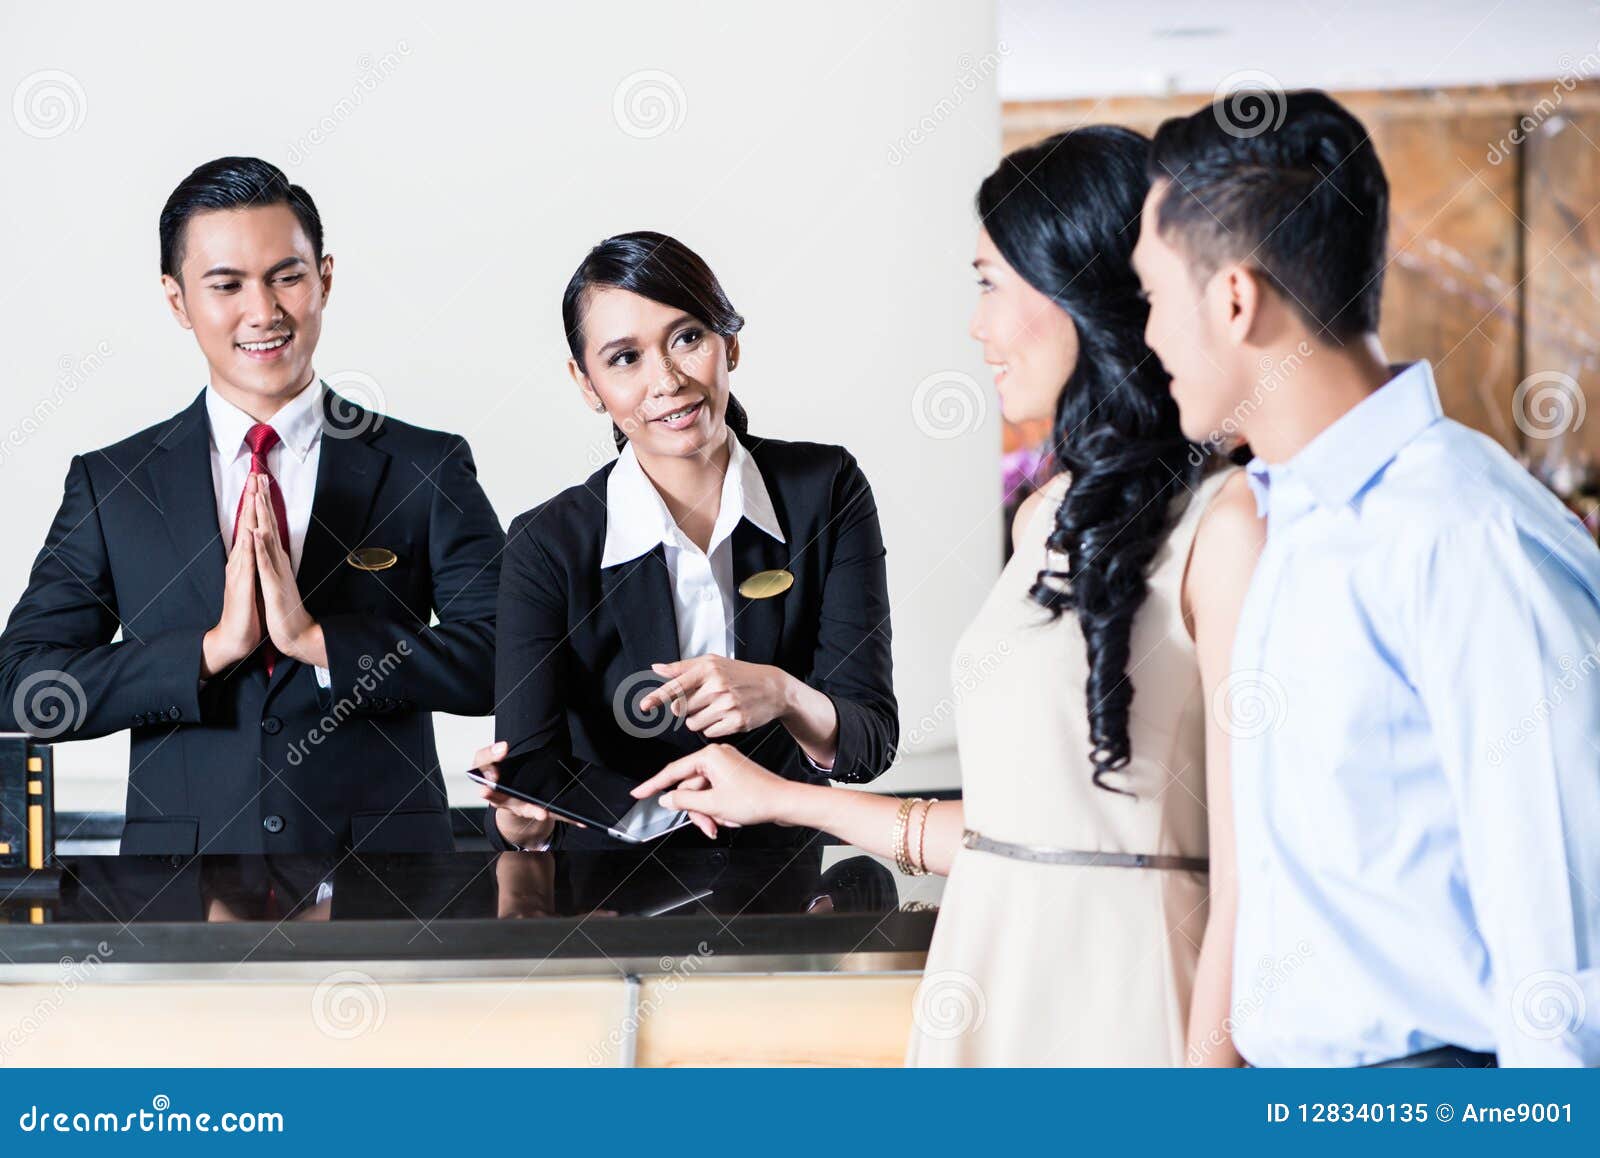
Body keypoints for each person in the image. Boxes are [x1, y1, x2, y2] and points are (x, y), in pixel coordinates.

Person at [633, 128, 1265, 1065]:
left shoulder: (1228, 521)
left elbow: (1255, 872)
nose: (976, 326)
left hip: (1132, 1005)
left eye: (989, 284)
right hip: (986, 986)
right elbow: (1013, 838)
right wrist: (784, 799)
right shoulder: (1042, 515)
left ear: (1078, 287)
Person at [1133, 89, 1600, 1067]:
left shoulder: (1462, 533)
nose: (1147, 340)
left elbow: (1562, 952)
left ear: (1233, 299)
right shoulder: (1291, 521)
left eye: (1153, 300)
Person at [0, 157, 504, 856]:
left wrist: (321, 643)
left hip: (388, 881)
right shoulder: (113, 483)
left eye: (286, 277)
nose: (263, 312)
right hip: (180, 883)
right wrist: (208, 653)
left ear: (325, 278)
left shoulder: (426, 465)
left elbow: (506, 658)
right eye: (226, 285)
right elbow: (23, 687)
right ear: (178, 301)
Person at [474, 232, 898, 852]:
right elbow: (528, 788)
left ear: (730, 343)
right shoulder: (546, 543)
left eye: (687, 338)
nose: (667, 380)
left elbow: (871, 741)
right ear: (587, 384)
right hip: (609, 892)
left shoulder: (827, 488)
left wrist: (783, 694)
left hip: (785, 881)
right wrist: (521, 821)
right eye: (625, 358)